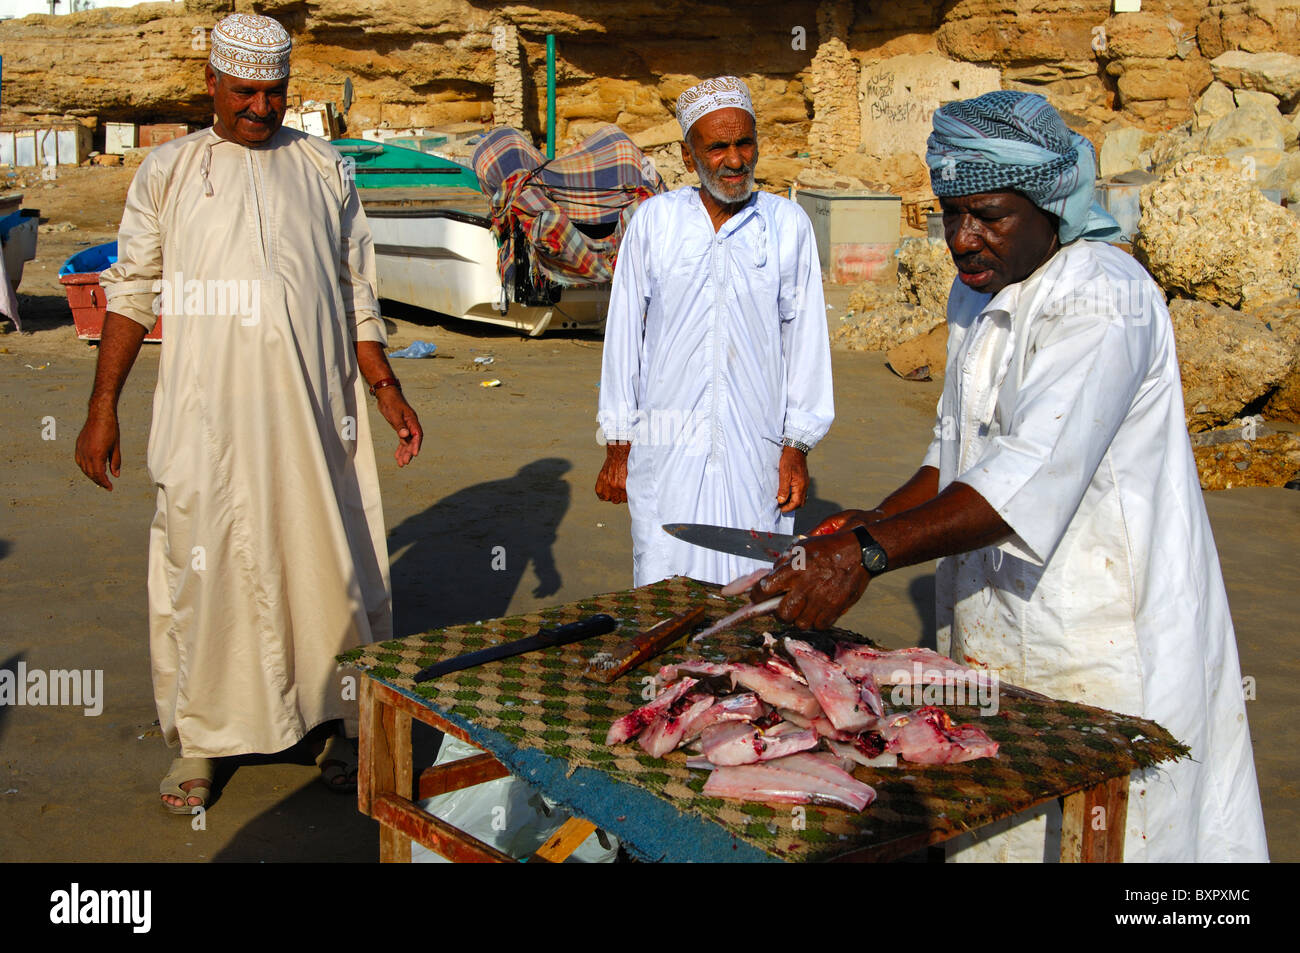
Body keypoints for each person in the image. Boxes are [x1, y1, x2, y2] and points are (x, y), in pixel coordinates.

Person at [752, 90, 1268, 862]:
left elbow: (1023, 479)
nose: (963, 238)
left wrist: (866, 555)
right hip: (998, 635)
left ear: (1049, 203)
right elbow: (955, 458)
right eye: (949, 213)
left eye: (988, 214)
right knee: (1009, 833)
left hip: (1100, 638)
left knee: (1119, 836)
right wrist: (865, 524)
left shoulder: (1104, 299)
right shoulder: (979, 289)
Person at [73, 13, 423, 812]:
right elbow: (129, 292)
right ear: (211, 84)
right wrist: (102, 408)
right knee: (204, 561)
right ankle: (203, 739)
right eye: (244, 92)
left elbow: (353, 285)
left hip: (314, 412)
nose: (261, 109)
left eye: (274, 93)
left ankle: (337, 718)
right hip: (206, 419)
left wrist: (384, 386)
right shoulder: (167, 170)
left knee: (328, 562)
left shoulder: (326, 167)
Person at [595, 76, 834, 586]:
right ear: (688, 156)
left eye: (744, 143)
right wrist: (618, 444)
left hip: (757, 444)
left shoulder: (788, 224)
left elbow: (806, 340)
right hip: (665, 442)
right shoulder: (654, 222)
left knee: (756, 584)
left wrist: (798, 446)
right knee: (663, 577)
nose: (734, 159)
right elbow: (623, 339)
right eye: (718, 146)